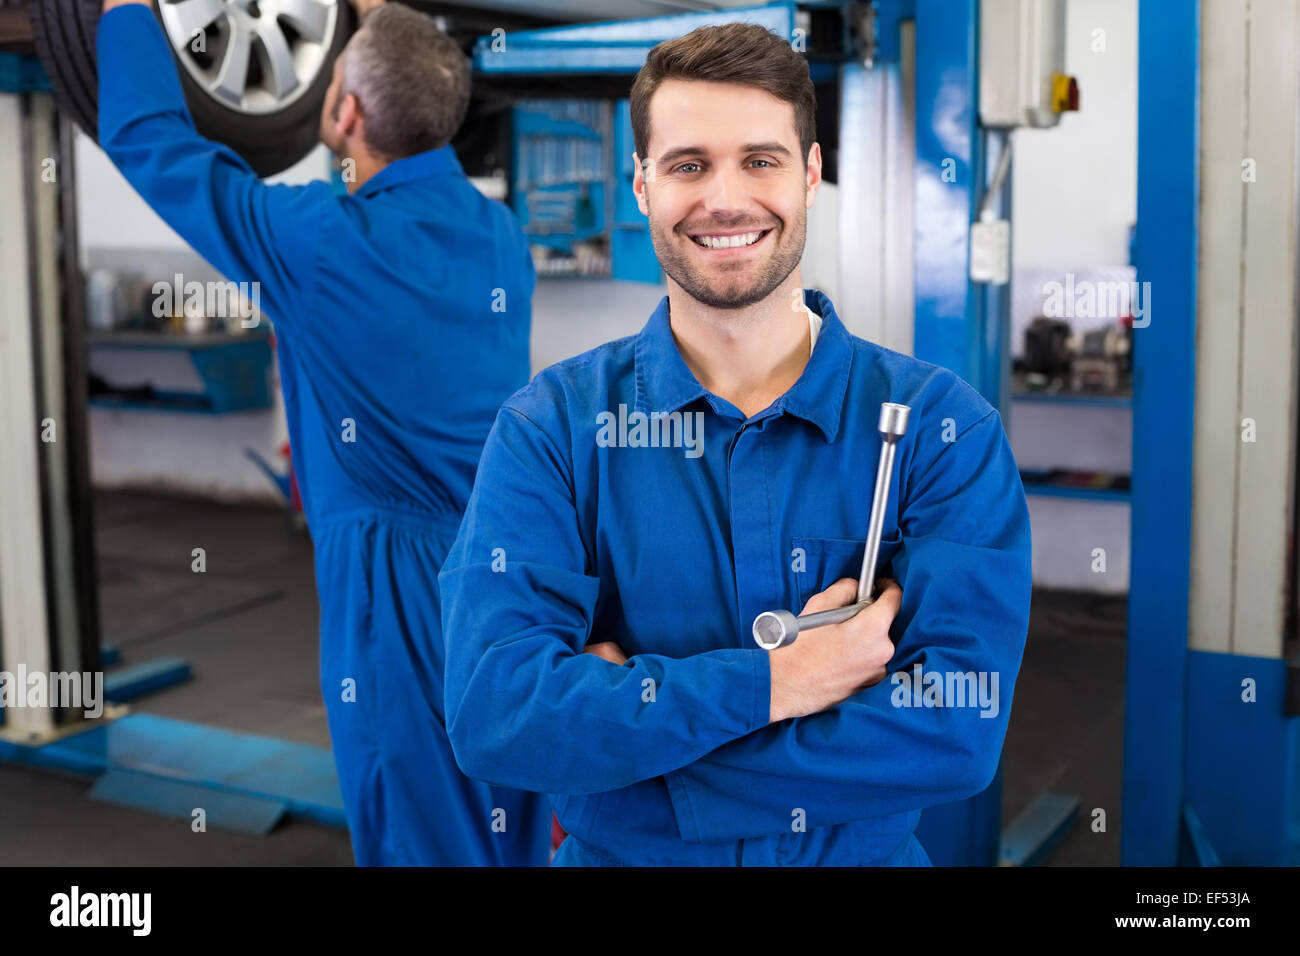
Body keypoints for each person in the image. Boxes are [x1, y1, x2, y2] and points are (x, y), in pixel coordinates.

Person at [439, 21, 1032, 866]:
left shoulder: (942, 429)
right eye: (688, 164)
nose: (725, 199)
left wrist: (632, 740)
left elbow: (956, 732)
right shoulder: (551, 431)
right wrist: (782, 682)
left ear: (812, 174)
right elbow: (497, 716)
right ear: (640, 184)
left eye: (761, 160)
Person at [96, 0, 551, 865]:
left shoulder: (318, 243)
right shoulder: (499, 235)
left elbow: (152, 142)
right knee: (504, 813)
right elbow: (418, 97)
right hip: (508, 568)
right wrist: (389, 28)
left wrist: (122, 14)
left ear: (342, 114)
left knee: (417, 823)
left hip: (399, 587)